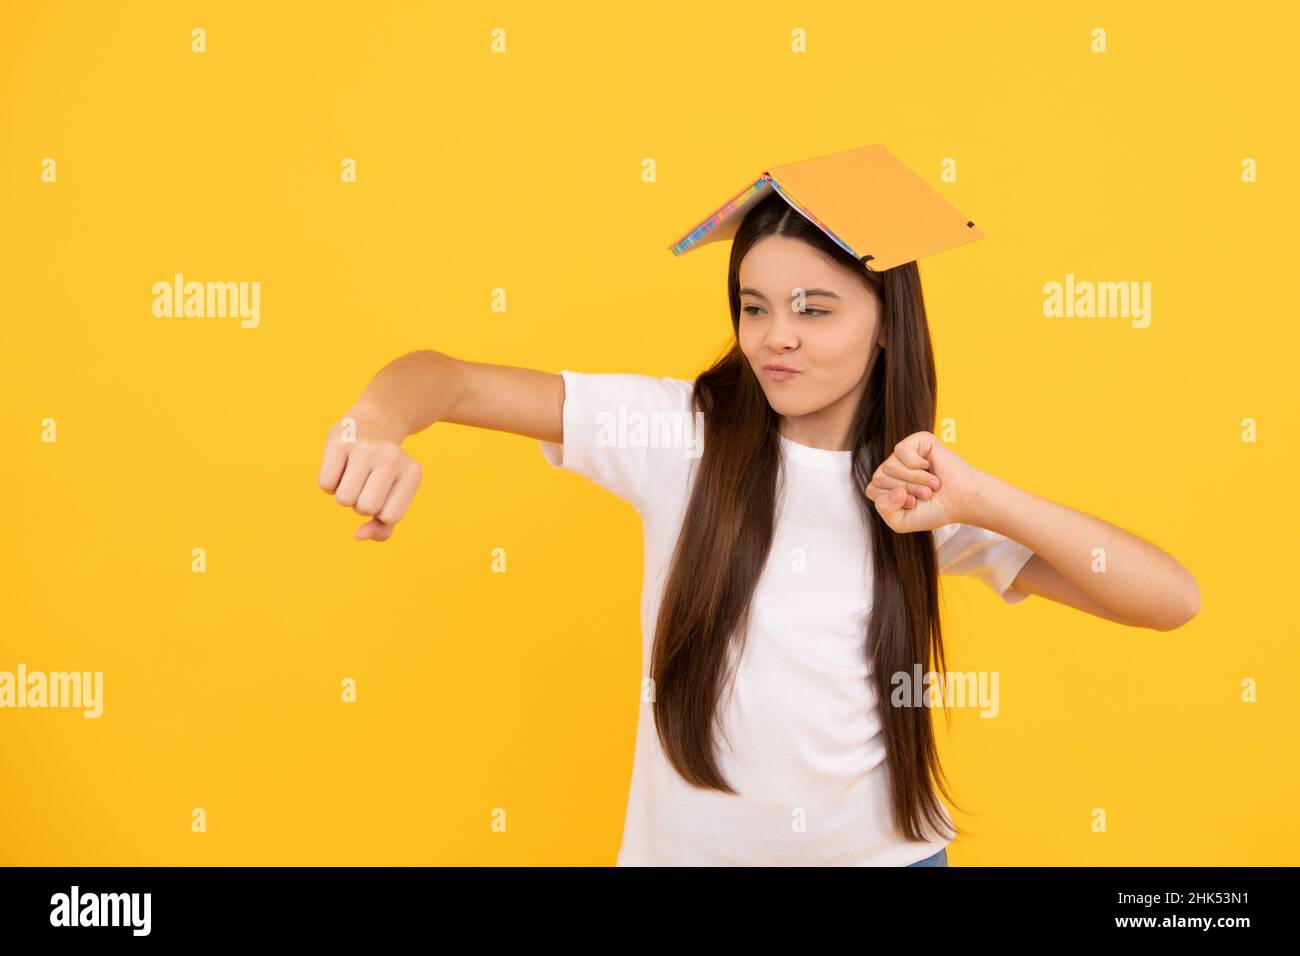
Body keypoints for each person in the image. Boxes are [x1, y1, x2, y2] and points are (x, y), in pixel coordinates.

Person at [316, 181, 1199, 867]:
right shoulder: (676, 435)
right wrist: (375, 423)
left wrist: (981, 501)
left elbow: (1170, 600)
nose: (776, 336)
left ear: (886, 324)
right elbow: (445, 376)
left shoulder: (919, 496)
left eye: (814, 309)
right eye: (754, 305)